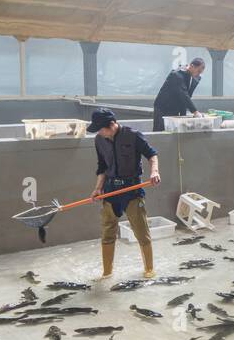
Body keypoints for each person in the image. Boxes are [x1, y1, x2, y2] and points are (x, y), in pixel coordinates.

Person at [86, 108, 161, 279]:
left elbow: (152, 154)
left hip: (131, 190)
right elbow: (102, 167)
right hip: (110, 191)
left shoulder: (133, 135)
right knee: (107, 233)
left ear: (112, 125)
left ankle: (149, 269)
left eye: (101, 128)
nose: (99, 132)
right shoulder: (99, 140)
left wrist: (154, 171)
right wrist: (98, 188)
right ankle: (107, 272)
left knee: (141, 232)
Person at [153, 57, 206, 131]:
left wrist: (183, 117)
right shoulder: (177, 75)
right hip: (163, 107)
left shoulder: (195, 78)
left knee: (174, 132)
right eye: (198, 71)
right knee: (160, 131)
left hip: (176, 107)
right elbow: (184, 95)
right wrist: (195, 111)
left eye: (201, 72)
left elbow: (187, 96)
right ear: (192, 66)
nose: (199, 74)